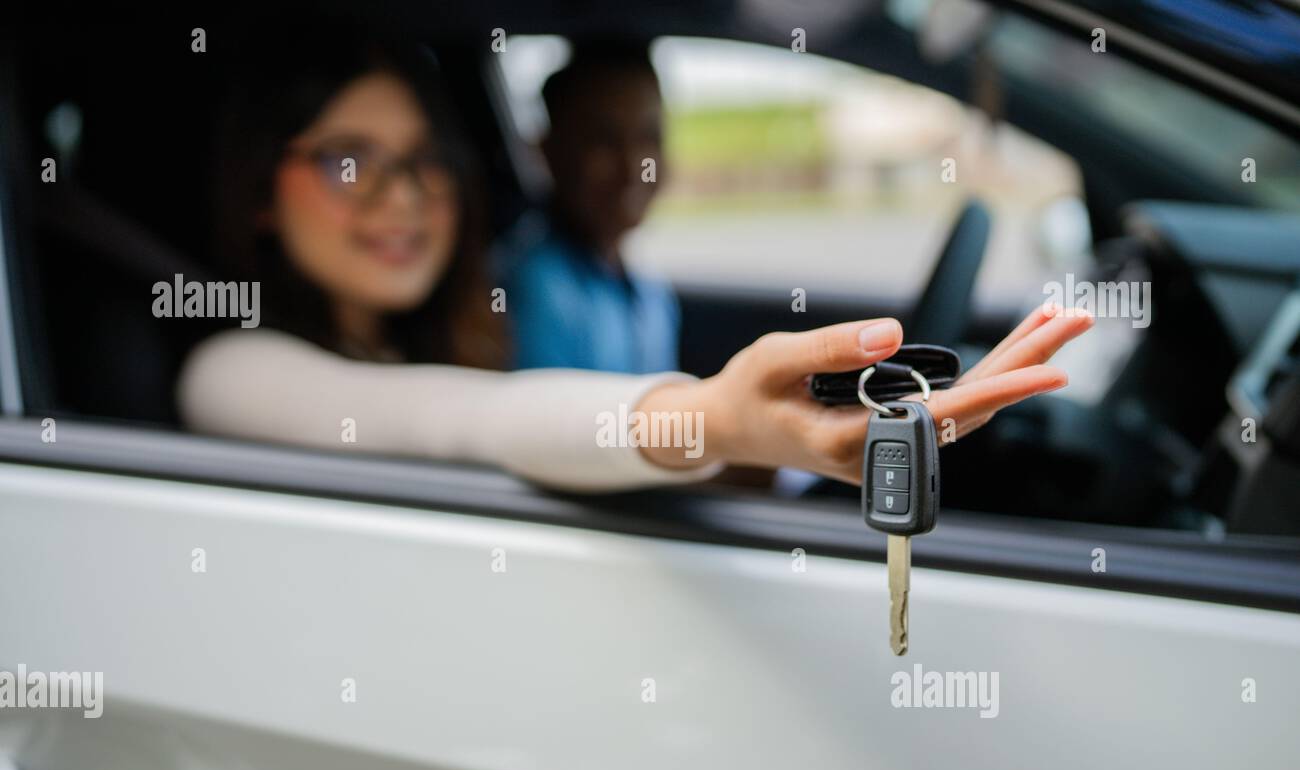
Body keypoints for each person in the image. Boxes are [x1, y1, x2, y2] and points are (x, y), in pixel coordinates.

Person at [178, 36, 1093, 492]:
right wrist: (714, 420)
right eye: (348, 162)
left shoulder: (453, 328)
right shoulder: (231, 374)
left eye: (423, 160)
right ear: (261, 189)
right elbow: (470, 421)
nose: (404, 195)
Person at [498, 42, 678, 373]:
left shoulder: (650, 291)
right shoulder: (532, 287)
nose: (634, 166)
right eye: (604, 140)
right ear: (548, 151)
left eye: (649, 137)